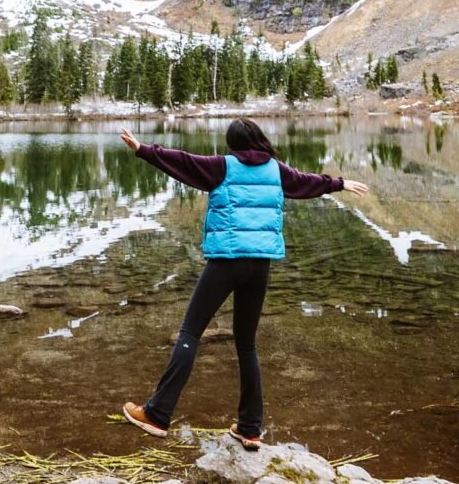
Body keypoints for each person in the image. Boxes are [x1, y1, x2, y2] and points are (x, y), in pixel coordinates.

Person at [118, 118, 369, 450]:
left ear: (233, 143)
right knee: (246, 343)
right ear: (260, 139)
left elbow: (182, 162)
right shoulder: (276, 171)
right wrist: (338, 183)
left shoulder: (224, 167)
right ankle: (250, 428)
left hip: (226, 262)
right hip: (259, 265)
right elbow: (306, 182)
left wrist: (144, 150)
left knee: (190, 332)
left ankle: (157, 414)